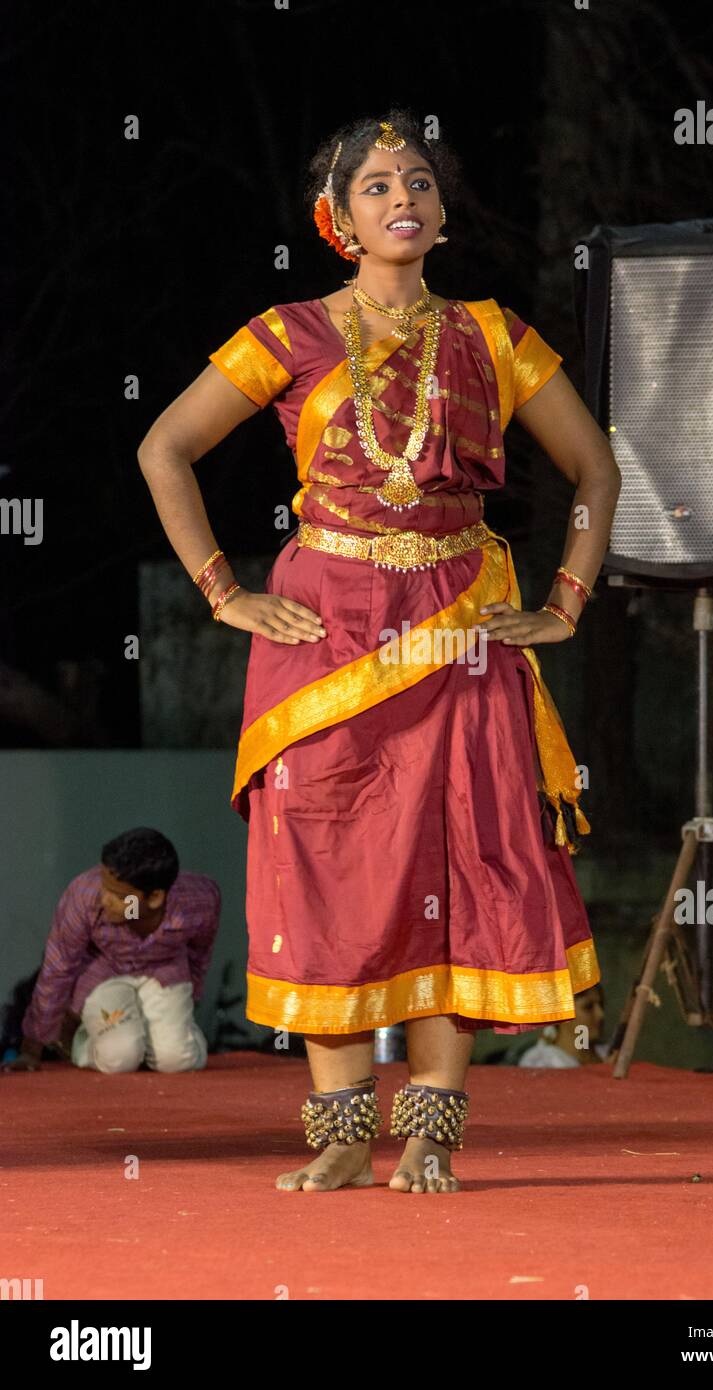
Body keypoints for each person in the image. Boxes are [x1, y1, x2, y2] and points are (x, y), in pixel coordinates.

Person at [136, 109, 621, 1194]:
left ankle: (434, 1129)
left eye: (417, 181)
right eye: (373, 185)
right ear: (337, 217)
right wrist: (224, 593)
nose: (399, 196)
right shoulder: (288, 333)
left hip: (461, 626)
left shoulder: (495, 334)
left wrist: (564, 604)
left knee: (465, 855)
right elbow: (162, 447)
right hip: (324, 631)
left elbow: (595, 472)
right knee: (328, 866)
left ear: (442, 214)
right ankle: (341, 1131)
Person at [1, 828, 219, 1075]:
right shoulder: (85, 896)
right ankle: (81, 1038)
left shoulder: (199, 902)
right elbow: (57, 968)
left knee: (176, 1061)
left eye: (117, 895)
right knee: (120, 1059)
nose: (105, 899)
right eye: (104, 885)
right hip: (104, 974)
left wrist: (191, 999)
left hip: (165, 971)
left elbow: (200, 953)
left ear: (155, 898)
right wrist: (32, 1046)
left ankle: (166, 1039)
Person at [512, 983, 608, 1067]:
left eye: (601, 1005)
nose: (600, 1015)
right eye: (588, 1007)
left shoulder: (607, 1053)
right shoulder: (542, 1062)